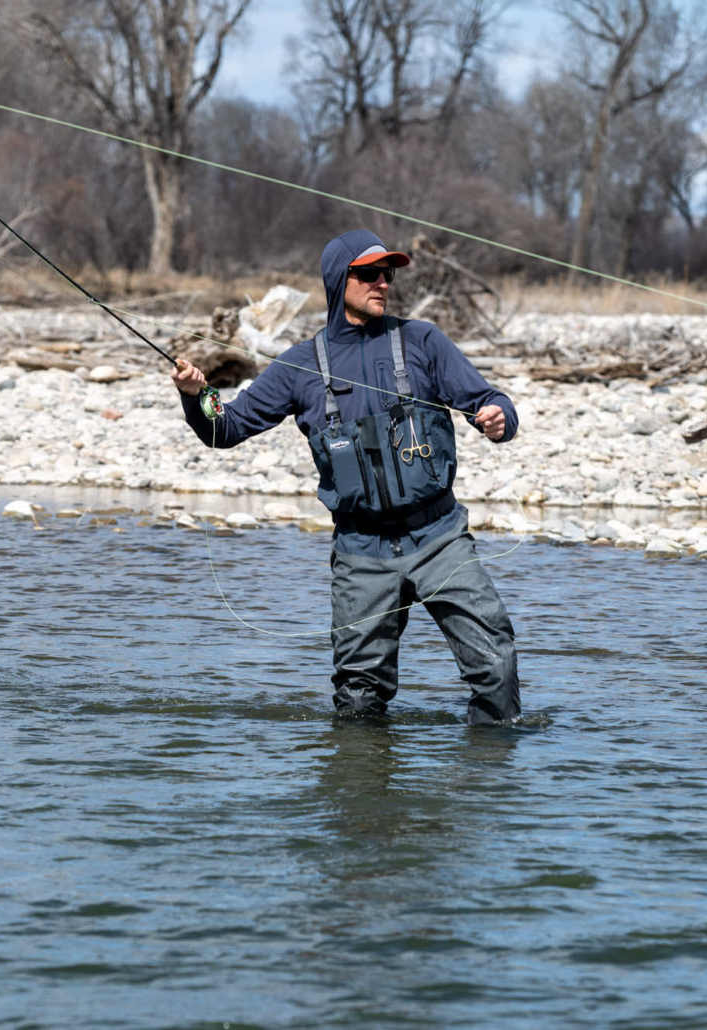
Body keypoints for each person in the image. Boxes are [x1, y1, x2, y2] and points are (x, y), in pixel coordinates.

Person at [171, 230, 522, 724]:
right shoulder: (298, 366)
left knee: (495, 665)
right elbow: (223, 429)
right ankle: (362, 794)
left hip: (440, 537)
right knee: (358, 699)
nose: (383, 283)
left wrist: (498, 418)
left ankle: (489, 780)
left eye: (388, 274)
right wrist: (196, 395)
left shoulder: (423, 341)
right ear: (340, 280)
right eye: (369, 274)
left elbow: (491, 399)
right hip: (361, 551)